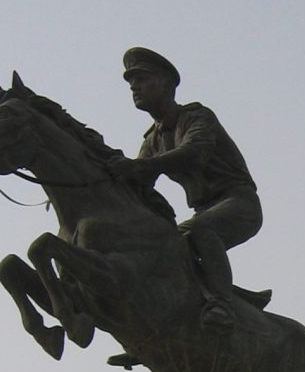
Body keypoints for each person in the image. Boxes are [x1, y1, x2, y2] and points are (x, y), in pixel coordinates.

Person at [109, 47, 262, 331]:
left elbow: (195, 150)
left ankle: (220, 303)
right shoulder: (153, 137)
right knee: (162, 247)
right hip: (203, 210)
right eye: (131, 84)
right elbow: (138, 181)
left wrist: (142, 167)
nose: (135, 88)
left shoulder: (197, 116)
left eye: (142, 80)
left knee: (202, 230)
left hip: (238, 203)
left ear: (166, 83)